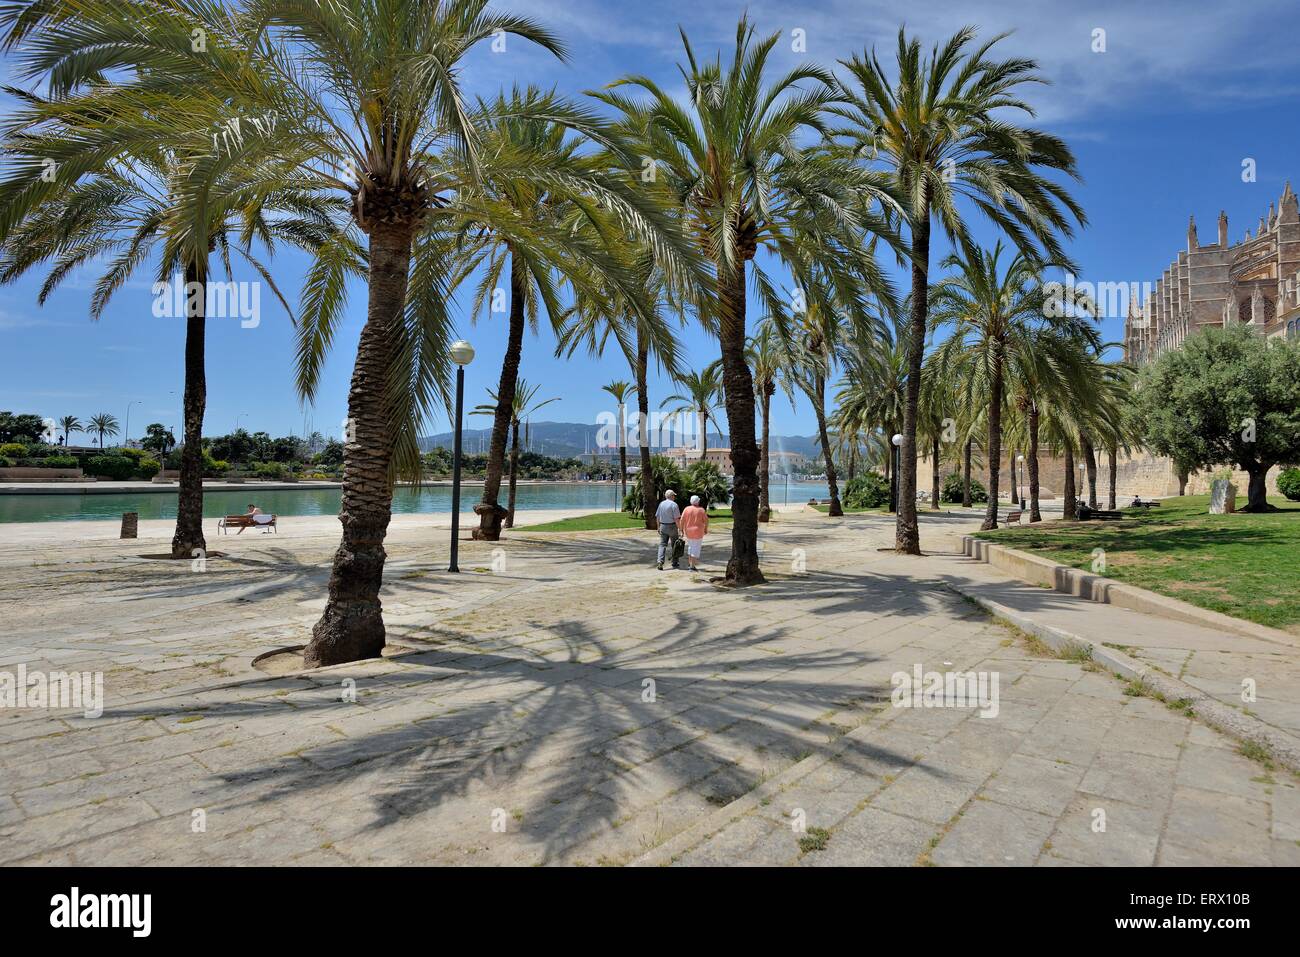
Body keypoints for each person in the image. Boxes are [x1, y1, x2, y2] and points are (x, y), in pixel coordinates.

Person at [679, 494, 709, 572]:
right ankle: (692, 566)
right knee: (695, 548)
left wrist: (681, 530)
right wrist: (705, 529)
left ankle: (690, 564)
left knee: (691, 547)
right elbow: (706, 521)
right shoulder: (701, 510)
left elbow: (682, 520)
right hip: (698, 532)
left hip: (688, 531)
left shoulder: (686, 509)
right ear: (697, 501)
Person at [654, 489, 681, 570]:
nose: (674, 497)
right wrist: (680, 528)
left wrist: (658, 527)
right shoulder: (674, 505)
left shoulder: (661, 504)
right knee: (675, 545)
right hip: (672, 526)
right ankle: (675, 562)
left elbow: (657, 517)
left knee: (662, 544)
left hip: (663, 525)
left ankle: (660, 562)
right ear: (672, 496)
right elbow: (676, 519)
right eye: (674, 496)